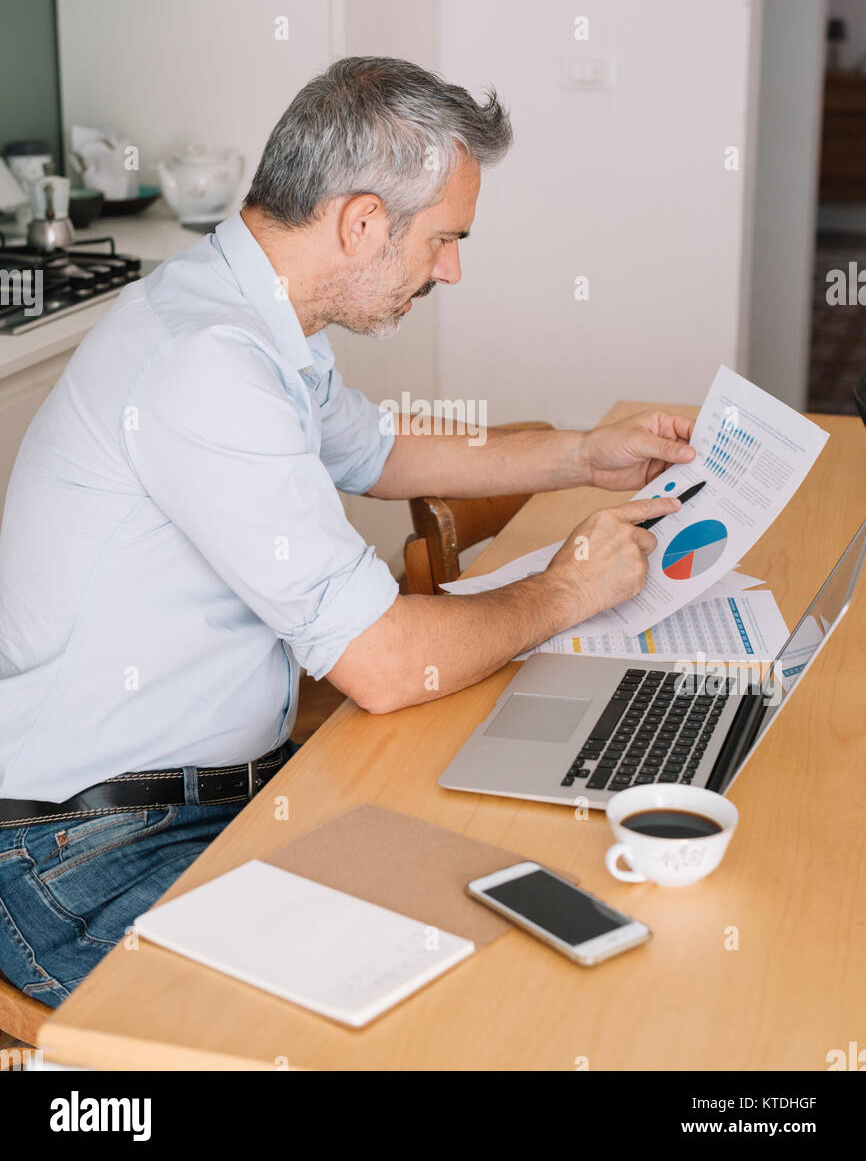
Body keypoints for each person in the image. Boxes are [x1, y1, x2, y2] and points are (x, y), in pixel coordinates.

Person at [0, 57, 692, 1004]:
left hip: (211, 796)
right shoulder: (208, 365)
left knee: (486, 901)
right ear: (364, 221)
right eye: (445, 239)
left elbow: (378, 451)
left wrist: (583, 455)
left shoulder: (248, 311)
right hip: (80, 853)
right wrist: (569, 587)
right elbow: (385, 665)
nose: (451, 267)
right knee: (430, 1001)